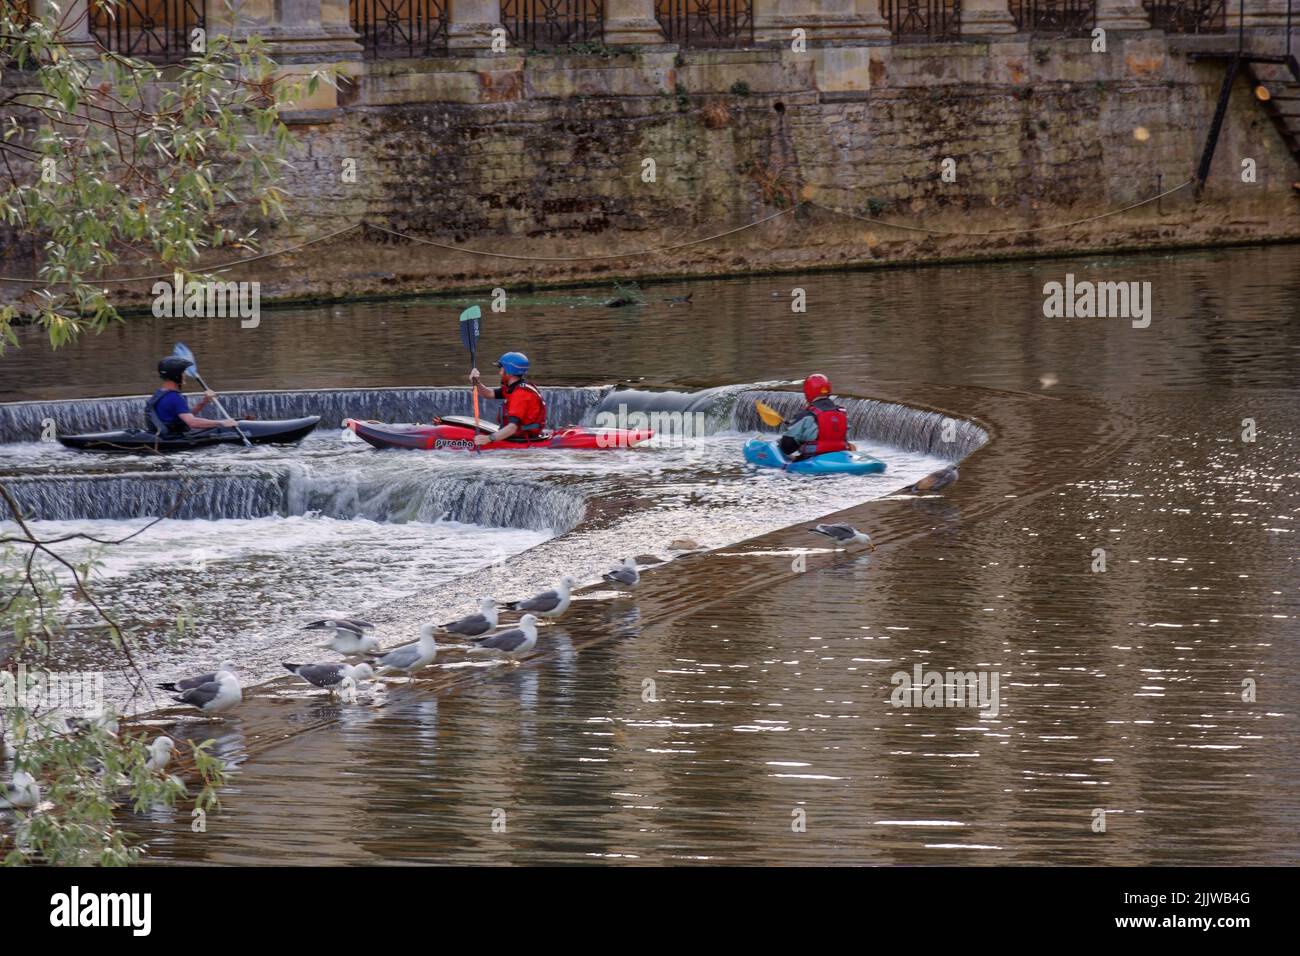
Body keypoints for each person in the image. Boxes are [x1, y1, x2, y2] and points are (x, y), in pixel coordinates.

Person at [468, 351, 547, 446]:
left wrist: (488, 439)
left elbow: (512, 428)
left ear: (509, 371)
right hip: (519, 436)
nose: (499, 372)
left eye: (501, 369)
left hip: (522, 439)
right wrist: (476, 382)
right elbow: (489, 394)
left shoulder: (520, 394)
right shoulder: (513, 388)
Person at [147, 356, 237, 436]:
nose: (184, 375)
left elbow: (184, 416)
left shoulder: (160, 393)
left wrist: (203, 402)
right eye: (183, 372)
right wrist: (222, 423)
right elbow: (192, 422)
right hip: (173, 438)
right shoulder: (175, 398)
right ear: (176, 375)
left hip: (165, 435)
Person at [778, 373, 853, 460]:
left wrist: (782, 443)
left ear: (808, 393)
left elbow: (787, 447)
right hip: (841, 457)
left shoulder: (806, 415)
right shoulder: (842, 413)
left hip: (813, 460)